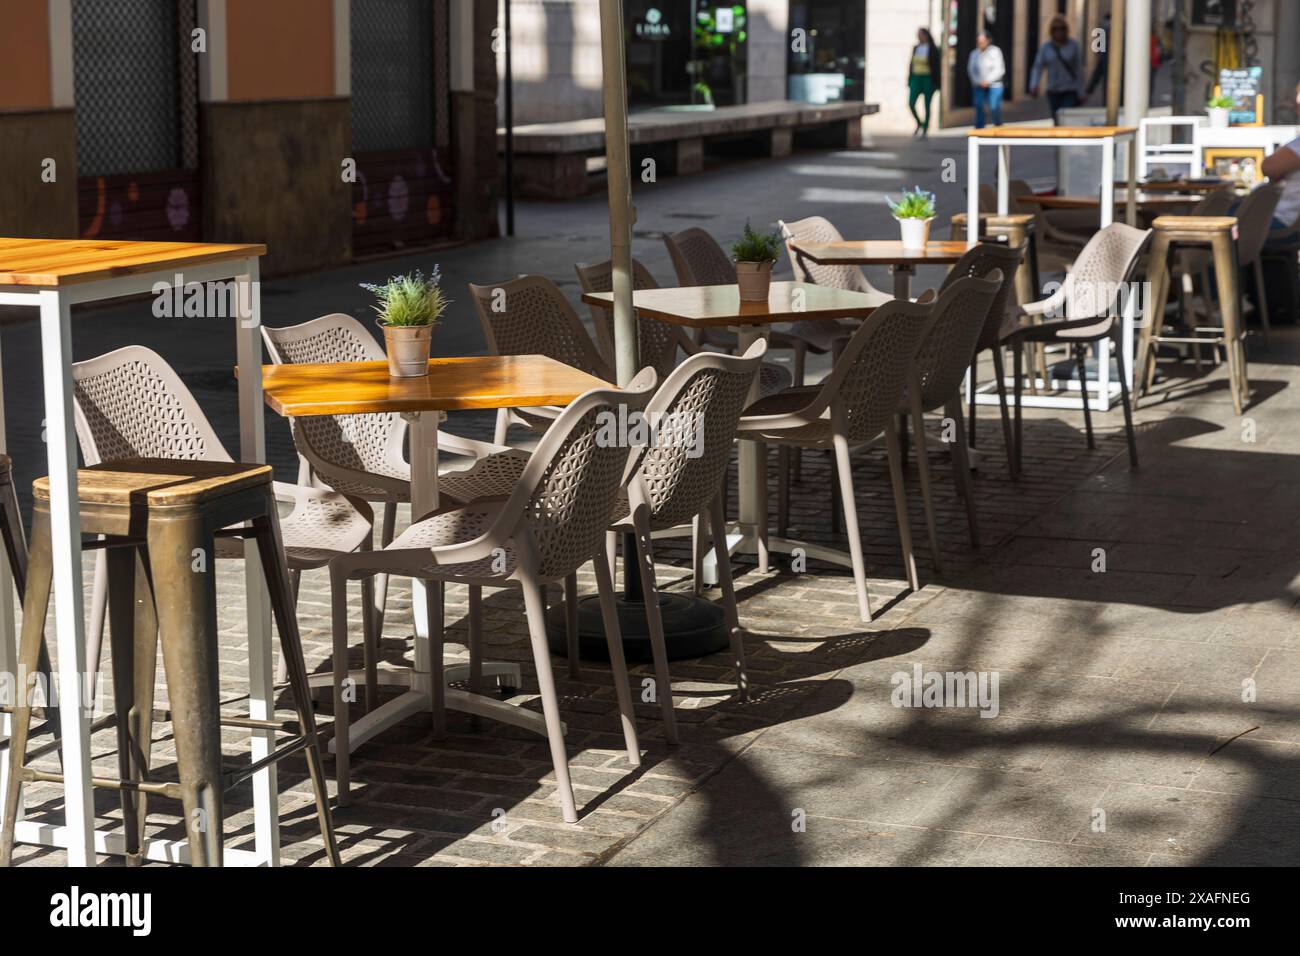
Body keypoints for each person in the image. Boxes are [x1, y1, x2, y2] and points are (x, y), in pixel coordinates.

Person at [1259, 82, 1300, 243]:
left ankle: (1204, 268)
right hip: (1288, 220)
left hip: (1282, 221)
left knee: (1218, 223)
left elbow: (1268, 167)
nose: (1297, 111)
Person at [1030, 15, 1084, 123]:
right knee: (1056, 119)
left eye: (1062, 28)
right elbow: (1038, 66)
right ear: (1051, 31)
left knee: (1065, 116)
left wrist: (1081, 91)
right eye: (1055, 29)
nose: (1059, 31)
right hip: (1053, 90)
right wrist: (1034, 84)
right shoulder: (1046, 47)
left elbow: (1078, 70)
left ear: (1066, 30)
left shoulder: (1073, 46)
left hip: (1069, 89)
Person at [907, 28, 942, 137]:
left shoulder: (933, 49)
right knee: (911, 103)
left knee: (927, 105)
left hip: (928, 78)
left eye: (921, 35)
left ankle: (925, 128)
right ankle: (919, 122)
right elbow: (911, 64)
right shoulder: (916, 48)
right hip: (916, 78)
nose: (919, 37)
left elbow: (937, 67)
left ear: (926, 35)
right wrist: (909, 79)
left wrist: (937, 83)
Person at [968, 31, 1006, 128]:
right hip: (979, 84)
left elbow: (1000, 69)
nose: (981, 44)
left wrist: (988, 81)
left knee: (994, 107)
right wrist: (979, 81)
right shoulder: (974, 54)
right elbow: (971, 70)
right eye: (979, 42)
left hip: (994, 84)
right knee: (979, 105)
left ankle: (998, 127)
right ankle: (979, 128)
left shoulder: (995, 51)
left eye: (983, 41)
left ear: (988, 40)